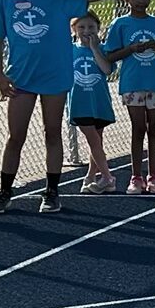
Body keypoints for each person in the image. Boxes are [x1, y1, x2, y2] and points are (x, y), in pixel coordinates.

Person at [0, 0, 107, 214]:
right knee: (15, 136)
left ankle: (51, 191)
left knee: (52, 132)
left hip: (54, 74)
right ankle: (4, 191)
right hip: (21, 76)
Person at [103, 0, 155, 195]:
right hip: (132, 82)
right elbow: (110, 55)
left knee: (154, 127)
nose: (141, 1)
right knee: (138, 127)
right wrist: (131, 49)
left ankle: (153, 176)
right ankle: (136, 176)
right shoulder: (120, 24)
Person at [68, 11, 117, 194]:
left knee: (96, 140)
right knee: (92, 139)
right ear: (74, 29)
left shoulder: (103, 49)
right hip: (79, 102)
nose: (86, 31)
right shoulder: (69, 50)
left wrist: (95, 49)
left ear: (98, 28)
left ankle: (90, 176)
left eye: (91, 27)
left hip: (98, 100)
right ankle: (107, 177)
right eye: (81, 27)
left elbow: (106, 70)